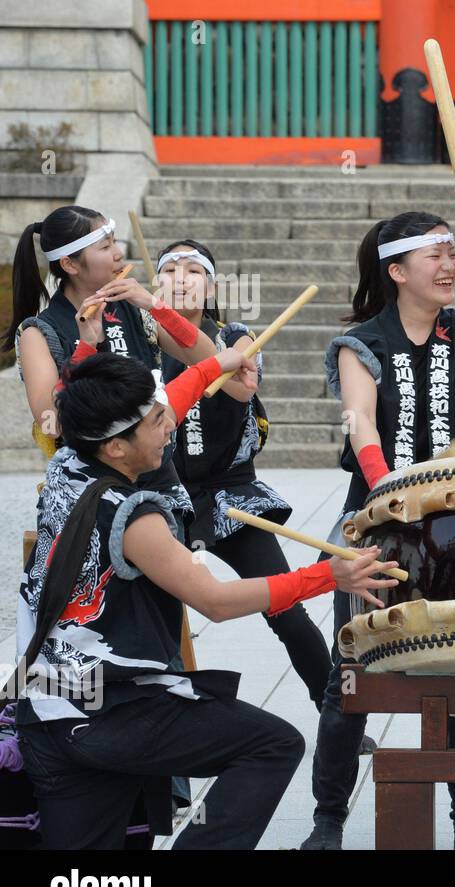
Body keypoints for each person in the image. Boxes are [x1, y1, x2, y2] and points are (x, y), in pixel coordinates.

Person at [14, 351, 397, 849]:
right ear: (115, 449)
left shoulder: (68, 463)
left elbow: (165, 400)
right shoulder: (134, 519)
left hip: (46, 715)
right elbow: (215, 602)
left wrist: (219, 362)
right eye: (156, 422)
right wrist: (327, 575)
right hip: (114, 712)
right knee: (273, 745)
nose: (170, 425)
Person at [301, 167, 455, 851]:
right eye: (438, 254)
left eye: (453, 253)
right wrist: (391, 496)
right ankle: (328, 819)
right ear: (397, 271)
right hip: (374, 524)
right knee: (353, 676)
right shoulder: (361, 343)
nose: (451, 264)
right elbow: (362, 425)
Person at [156, 240, 332, 707]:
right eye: (169, 269)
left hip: (229, 496)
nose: (179, 277)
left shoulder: (235, 335)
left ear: (211, 285)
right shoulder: (138, 339)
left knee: (284, 607)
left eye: (193, 269)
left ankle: (338, 714)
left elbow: (240, 387)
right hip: (159, 495)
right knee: (151, 614)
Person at [4, 206, 218, 527]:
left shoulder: (133, 308)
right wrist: (86, 347)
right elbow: (53, 421)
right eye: (105, 247)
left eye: (115, 242)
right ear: (69, 264)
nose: (118, 254)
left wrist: (155, 304)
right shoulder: (39, 331)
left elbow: (207, 358)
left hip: (156, 475)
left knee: (169, 576)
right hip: (92, 488)